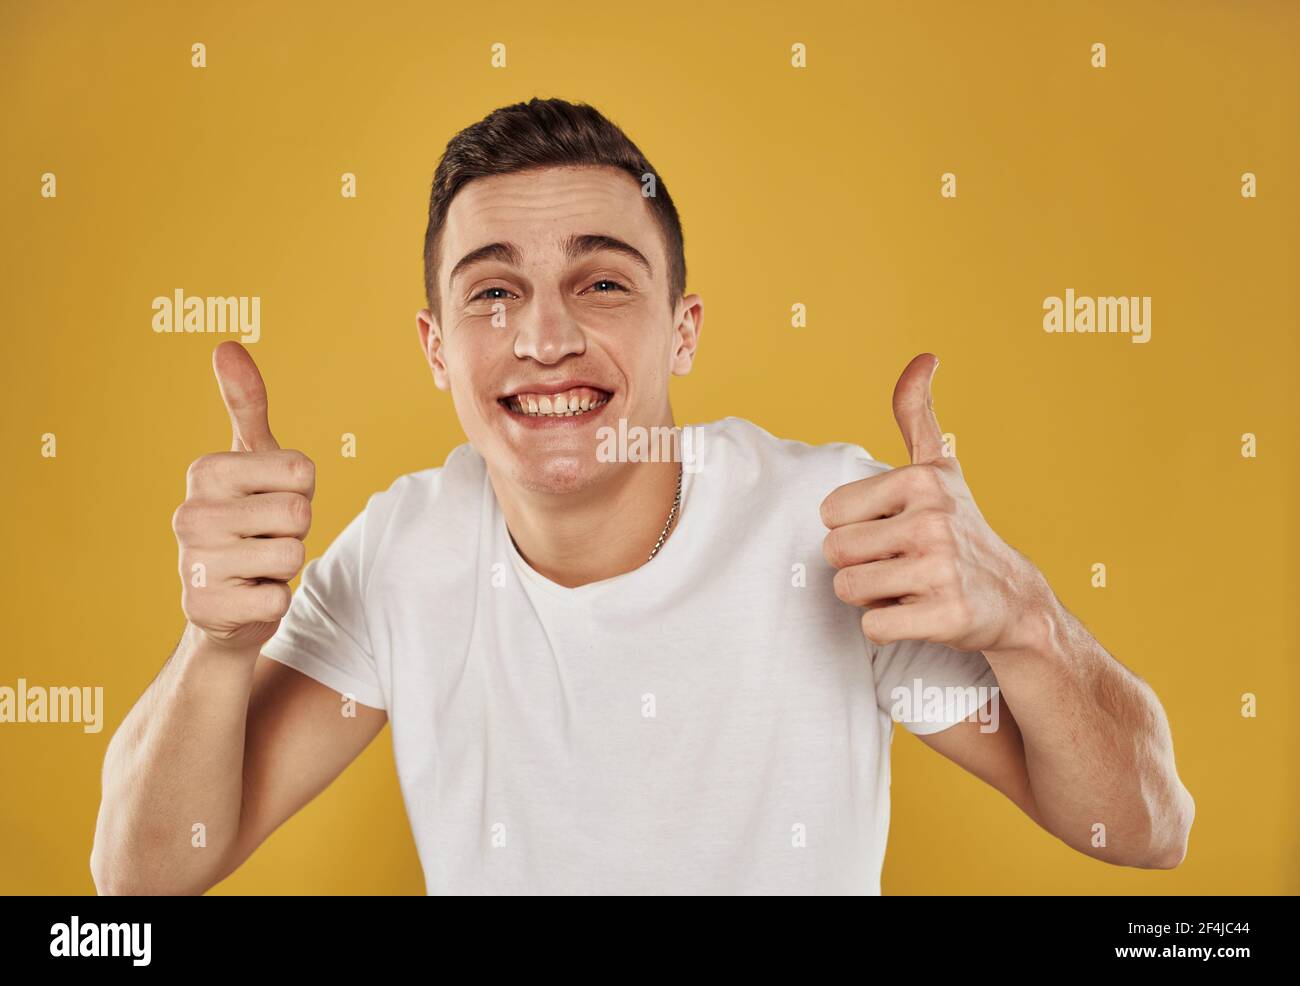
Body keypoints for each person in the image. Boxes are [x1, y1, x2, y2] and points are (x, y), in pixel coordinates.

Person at [91, 97, 1193, 895]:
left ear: (683, 328)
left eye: (601, 279)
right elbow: (136, 882)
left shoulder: (837, 525)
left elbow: (1145, 828)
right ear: (436, 348)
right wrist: (216, 649)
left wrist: (1026, 622)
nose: (545, 336)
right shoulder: (406, 550)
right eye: (492, 292)